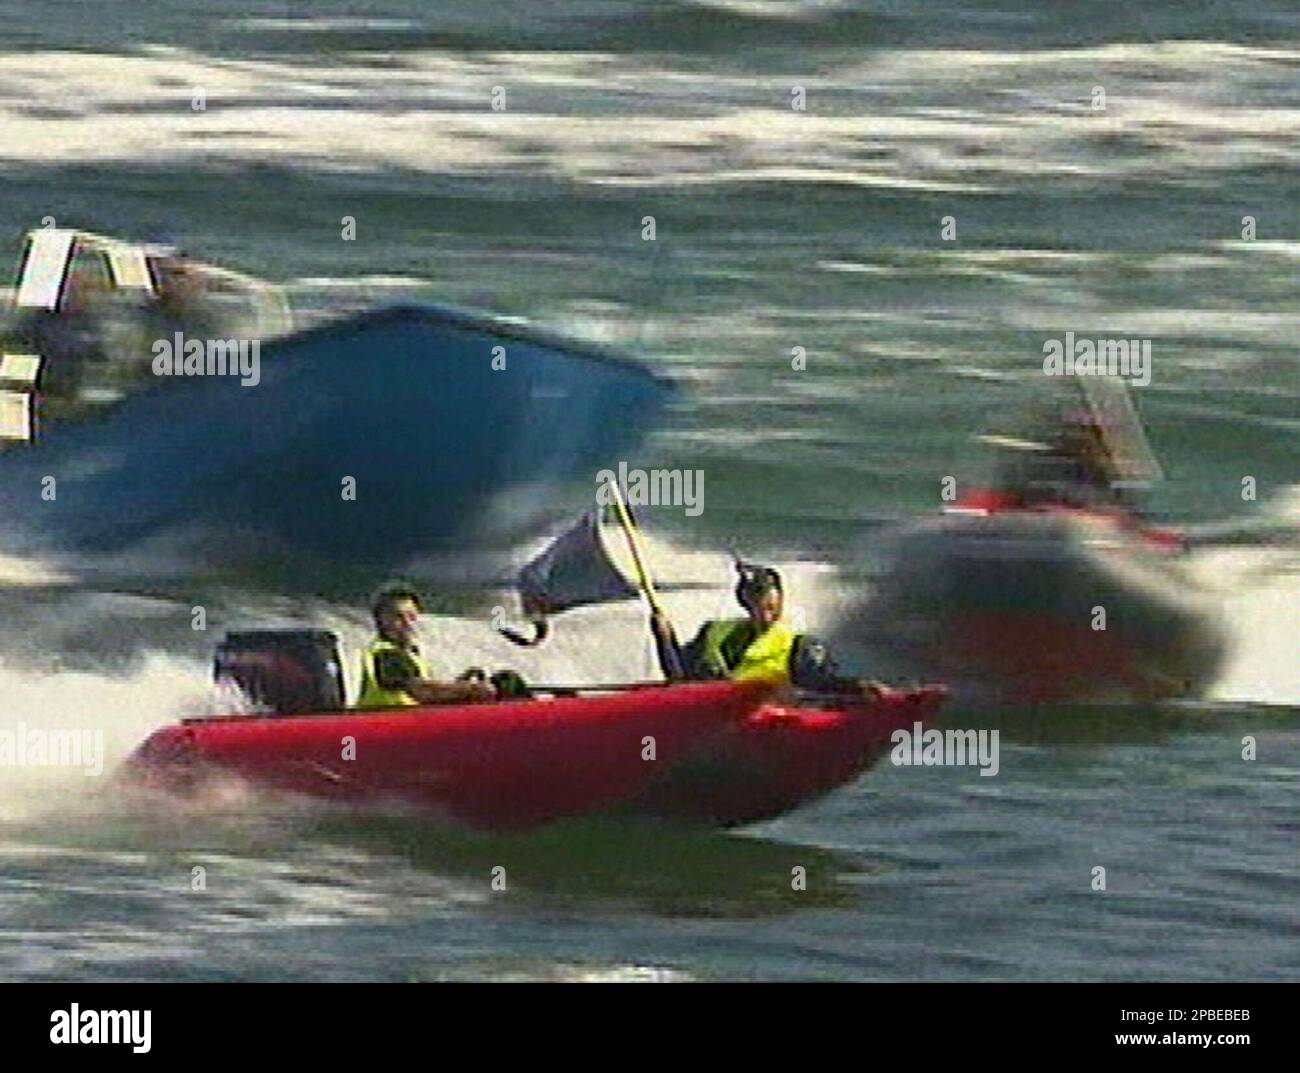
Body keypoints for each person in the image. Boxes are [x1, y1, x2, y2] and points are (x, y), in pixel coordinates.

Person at [649, 562, 895, 699]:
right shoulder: (714, 633)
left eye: (771, 608)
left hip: (762, 726)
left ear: (781, 603)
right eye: (758, 607)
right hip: (707, 721)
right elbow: (679, 678)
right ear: (745, 603)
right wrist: (665, 637)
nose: (765, 616)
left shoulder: (799, 648)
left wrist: (860, 687)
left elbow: (824, 686)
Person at [354, 585, 499, 709]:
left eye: (411, 616)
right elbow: (422, 692)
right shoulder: (385, 654)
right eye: (398, 617)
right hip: (387, 725)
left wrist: (460, 685)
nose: (407, 623)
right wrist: (470, 689)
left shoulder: (408, 653)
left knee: (505, 679)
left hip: (406, 720)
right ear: (381, 619)